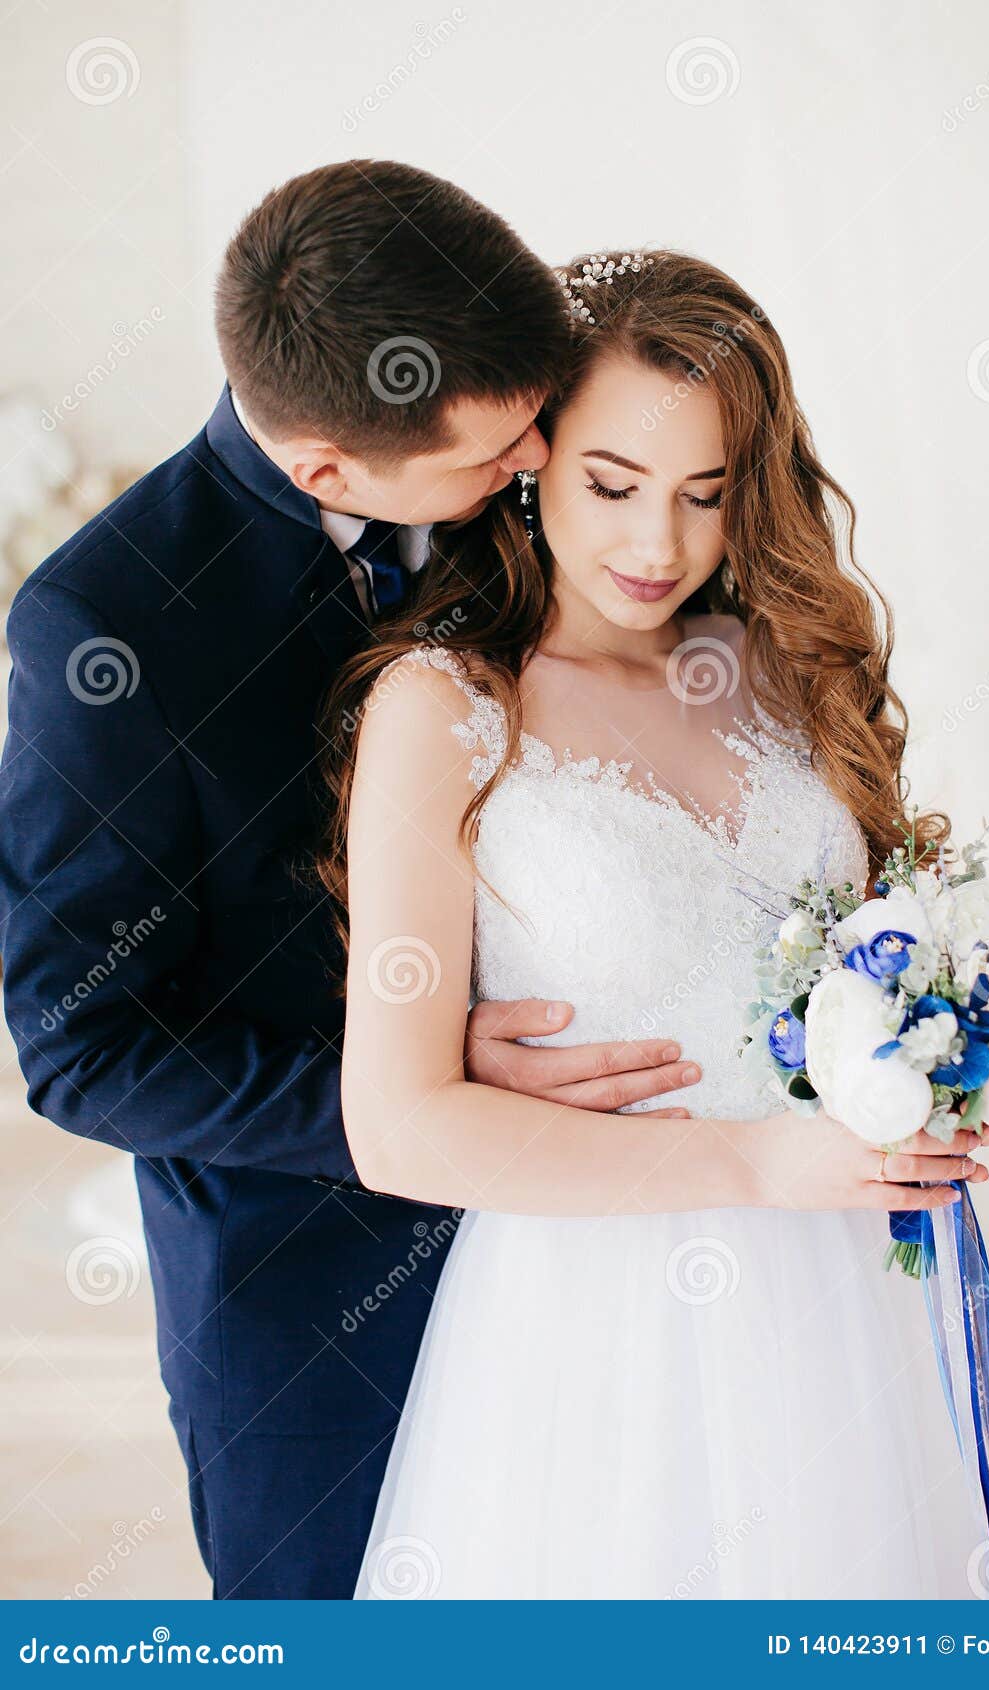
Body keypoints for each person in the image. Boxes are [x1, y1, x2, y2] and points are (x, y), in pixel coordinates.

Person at [0, 164, 703, 1601]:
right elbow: (83, 1049)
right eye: (497, 450)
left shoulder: (531, 474)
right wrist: (413, 1090)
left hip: (617, 1244)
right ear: (328, 469)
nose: (536, 463)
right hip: (313, 1295)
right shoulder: (108, 631)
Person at [324, 248, 989, 1599]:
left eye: (706, 494)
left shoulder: (789, 672)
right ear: (533, 458)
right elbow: (398, 1130)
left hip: (844, 1289)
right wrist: (755, 1162)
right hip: (597, 1318)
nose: (659, 546)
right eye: (614, 485)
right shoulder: (444, 707)